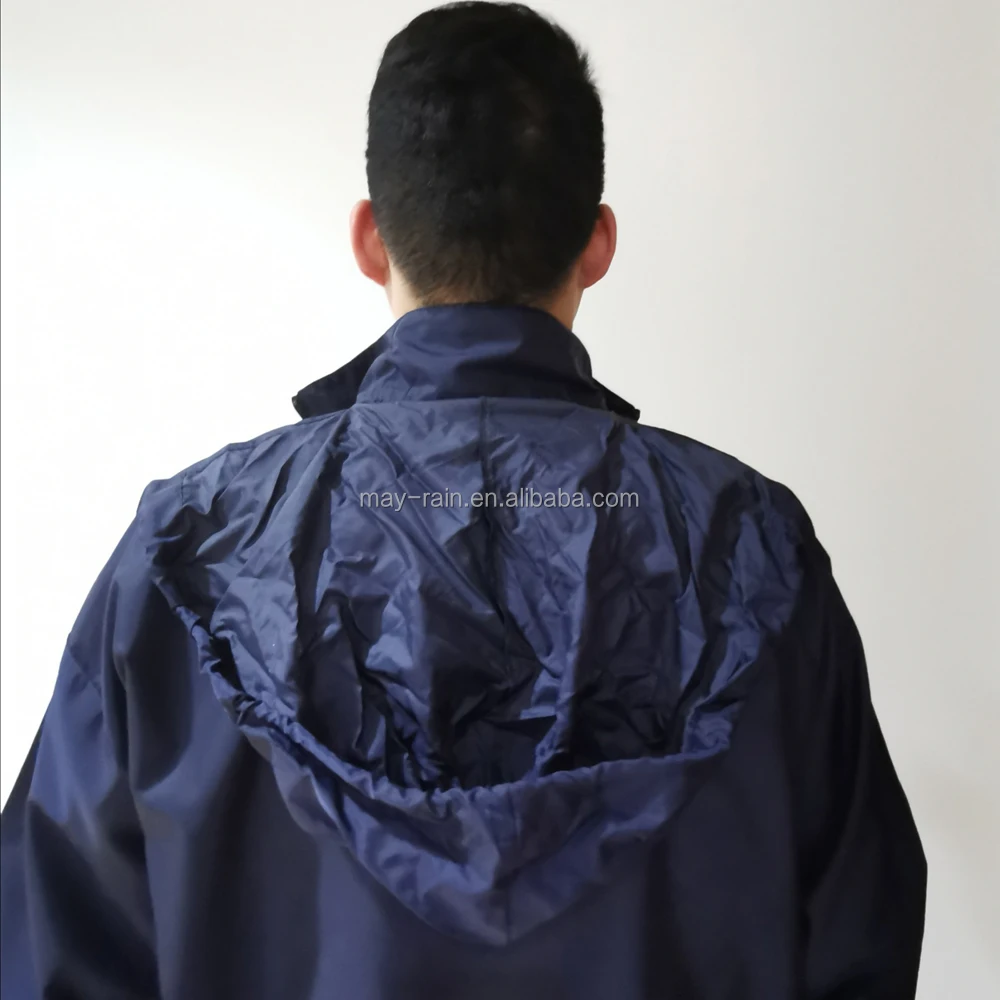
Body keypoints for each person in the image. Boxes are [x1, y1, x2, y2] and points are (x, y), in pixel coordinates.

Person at [0, 3, 926, 998]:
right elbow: (857, 948)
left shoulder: (189, 554)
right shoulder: (754, 553)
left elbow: (48, 953)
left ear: (370, 238)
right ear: (597, 243)